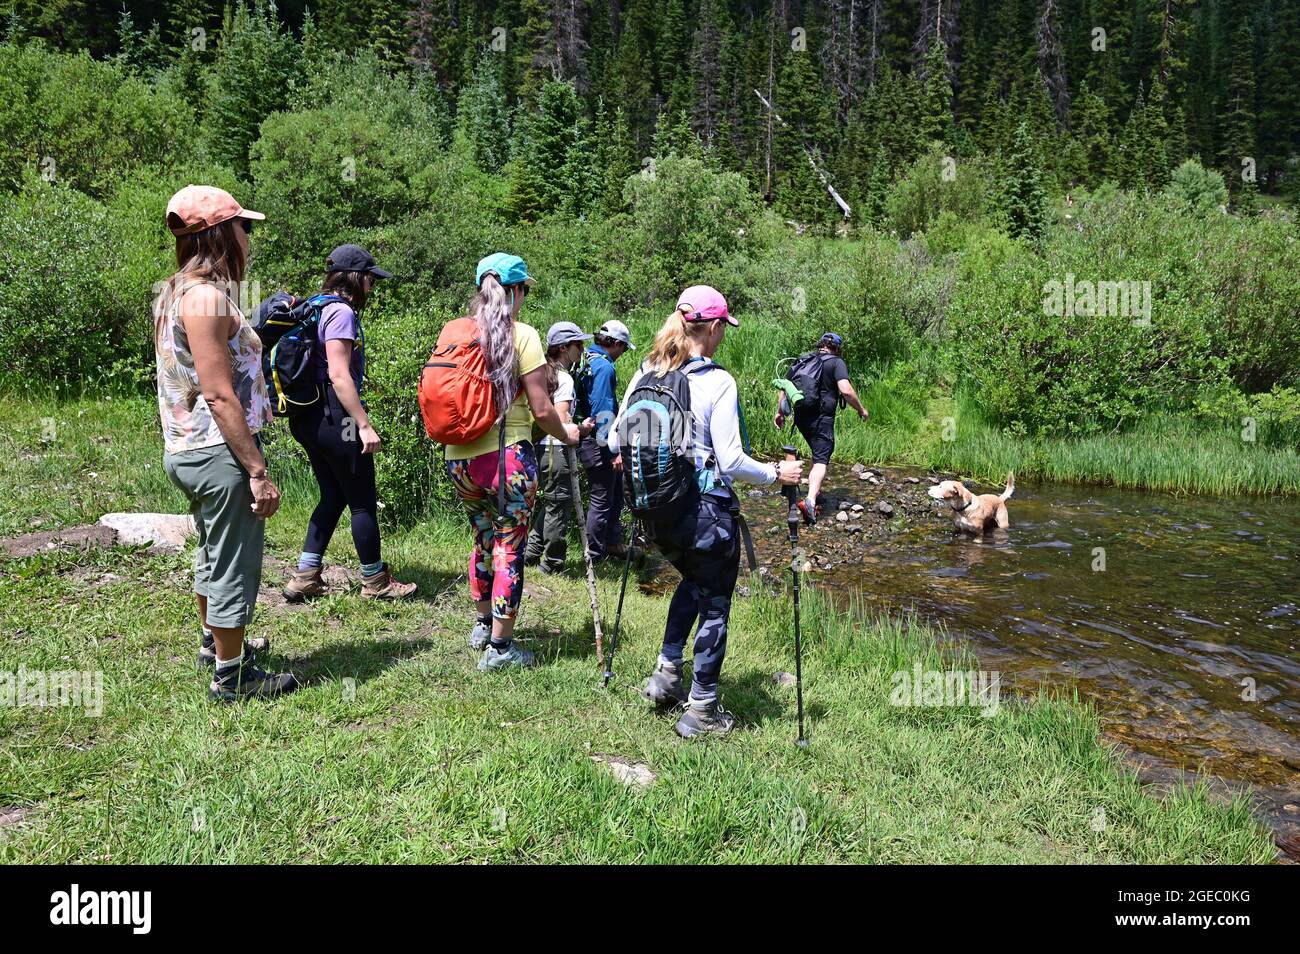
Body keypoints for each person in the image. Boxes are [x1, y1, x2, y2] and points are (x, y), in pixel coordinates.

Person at [609, 285, 802, 738]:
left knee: (691, 583)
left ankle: (665, 676)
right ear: (713, 327)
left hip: (654, 514)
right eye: (723, 329)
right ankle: (701, 711)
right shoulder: (718, 381)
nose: (723, 336)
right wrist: (778, 473)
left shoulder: (647, 372)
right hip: (703, 514)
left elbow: (614, 438)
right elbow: (732, 461)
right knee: (715, 604)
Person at [154, 185, 297, 702]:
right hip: (218, 450)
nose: (249, 237)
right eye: (244, 227)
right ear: (220, 234)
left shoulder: (175, 291)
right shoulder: (208, 298)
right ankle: (232, 675)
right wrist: (256, 470)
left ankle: (214, 646)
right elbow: (217, 393)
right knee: (235, 557)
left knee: (211, 552)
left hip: (186, 447)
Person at [445, 254, 589, 672]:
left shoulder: (457, 332)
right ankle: (501, 650)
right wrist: (568, 434)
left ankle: (482, 624)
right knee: (510, 546)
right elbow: (543, 411)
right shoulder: (520, 334)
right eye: (525, 289)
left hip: (459, 458)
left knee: (483, 539)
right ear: (516, 291)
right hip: (506, 460)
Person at [283, 244, 416, 602]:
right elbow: (339, 375)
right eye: (371, 278)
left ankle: (305, 576)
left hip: (307, 417)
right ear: (356, 278)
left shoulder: (314, 306)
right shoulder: (340, 312)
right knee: (362, 501)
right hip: (335, 415)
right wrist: (363, 423)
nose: (373, 286)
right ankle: (376, 582)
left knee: (333, 494)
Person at [772, 332, 869, 523]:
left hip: (801, 418)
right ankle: (809, 500)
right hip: (821, 419)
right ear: (837, 348)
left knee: (817, 452)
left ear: (821, 345)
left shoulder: (805, 360)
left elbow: (785, 386)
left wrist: (780, 412)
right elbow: (846, 391)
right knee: (821, 459)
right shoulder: (836, 362)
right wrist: (861, 409)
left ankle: (804, 487)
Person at [525, 321, 593, 574]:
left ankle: (531, 553)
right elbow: (562, 420)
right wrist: (580, 429)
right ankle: (552, 563)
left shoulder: (540, 372)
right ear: (564, 348)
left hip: (540, 447)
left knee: (551, 502)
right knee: (558, 504)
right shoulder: (564, 379)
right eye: (578, 344)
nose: (582, 349)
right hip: (555, 449)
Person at [575, 319, 636, 561]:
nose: (622, 354)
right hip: (598, 442)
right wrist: (613, 452)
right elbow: (602, 411)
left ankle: (612, 543)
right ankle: (594, 555)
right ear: (617, 344)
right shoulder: (605, 368)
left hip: (585, 436)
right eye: (623, 348)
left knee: (615, 492)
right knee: (601, 498)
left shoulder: (586, 358)